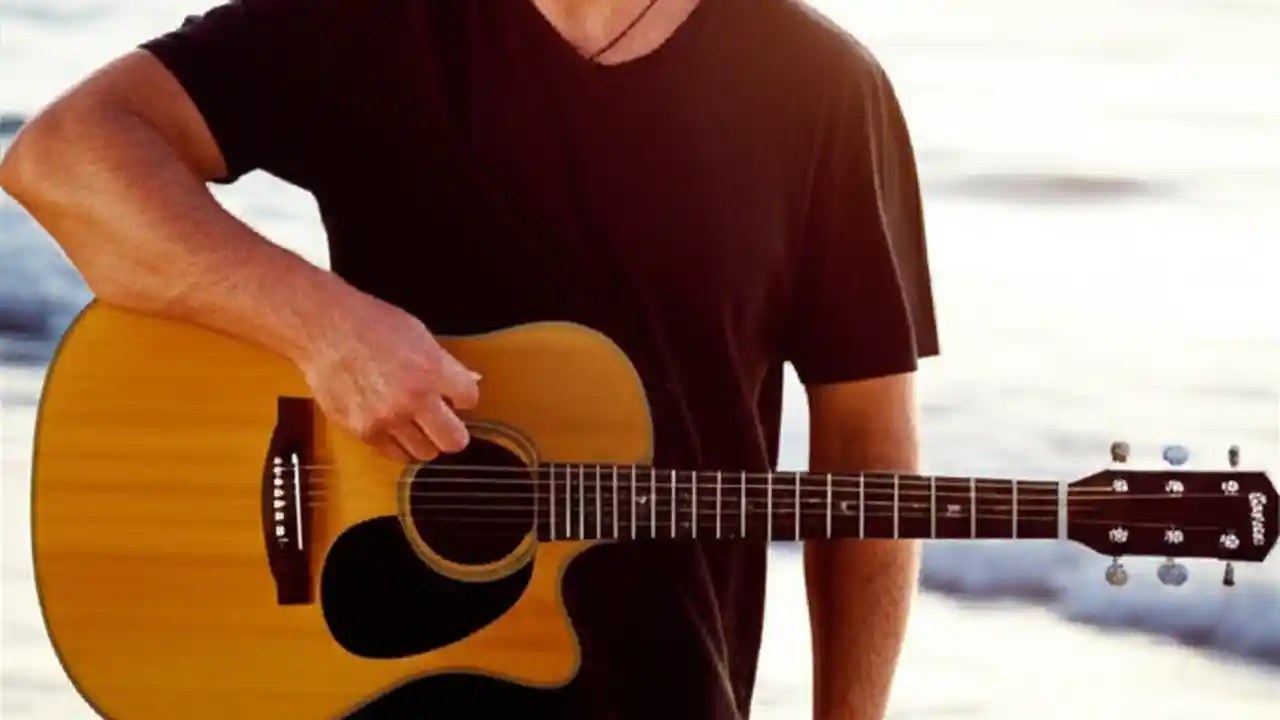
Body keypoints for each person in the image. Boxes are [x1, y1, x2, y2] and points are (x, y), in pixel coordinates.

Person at [0, 0, 939, 717]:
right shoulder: (376, 21)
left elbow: (869, 448)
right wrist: (322, 328)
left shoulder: (818, 87)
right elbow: (64, 156)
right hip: (364, 679)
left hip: (669, 686)